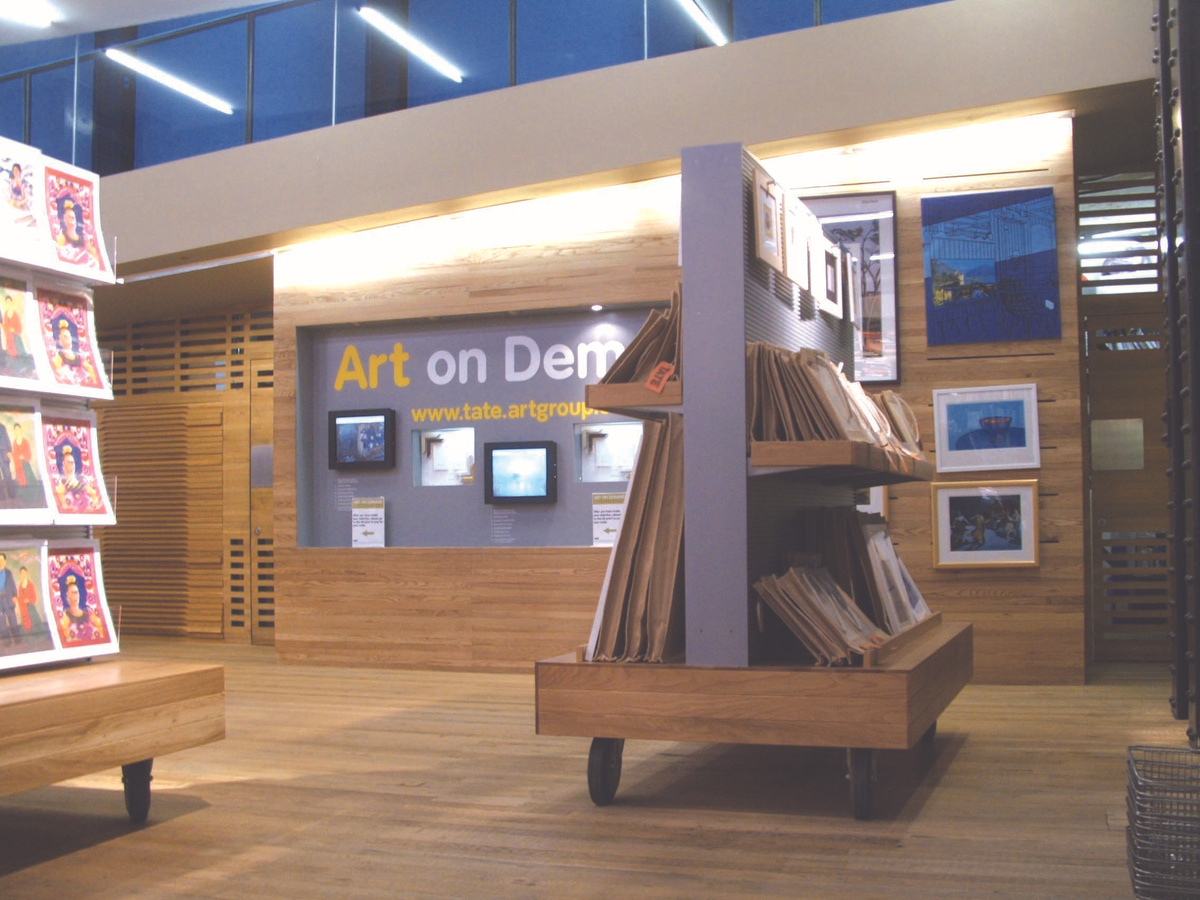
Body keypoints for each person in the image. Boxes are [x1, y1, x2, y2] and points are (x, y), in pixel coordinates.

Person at [0, 552, 20, 645]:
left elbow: (12, 585)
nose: (0, 562)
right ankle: (7, 641)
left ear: (5, 561)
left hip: (8, 599)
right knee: (1, 622)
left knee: (12, 619)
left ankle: (17, 639)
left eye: (2, 560)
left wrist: (15, 596)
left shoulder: (8, 573)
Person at [14, 565, 39, 633]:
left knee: (33, 626)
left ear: (27, 573)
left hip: (30, 607)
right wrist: (16, 599)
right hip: (23, 608)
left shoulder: (31, 584)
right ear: (20, 574)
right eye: (21, 573)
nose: (23, 574)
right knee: (25, 627)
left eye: (24, 572)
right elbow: (20, 597)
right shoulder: (20, 585)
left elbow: (34, 597)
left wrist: (29, 600)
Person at [2, 291, 23, 359]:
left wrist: (14, 330)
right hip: (9, 337)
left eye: (9, 302)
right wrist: (4, 327)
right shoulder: (5, 314)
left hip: (15, 337)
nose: (8, 303)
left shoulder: (15, 314)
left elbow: (19, 327)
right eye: (7, 302)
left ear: (12, 302)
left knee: (17, 353)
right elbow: (5, 326)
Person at [9, 422, 31, 488]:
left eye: (18, 429)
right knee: (20, 481)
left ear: (21, 430)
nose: (17, 431)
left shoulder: (25, 441)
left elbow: (29, 453)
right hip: (18, 465)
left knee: (27, 482)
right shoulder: (14, 442)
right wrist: (11, 455)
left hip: (25, 464)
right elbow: (15, 454)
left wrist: (23, 456)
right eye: (15, 429)